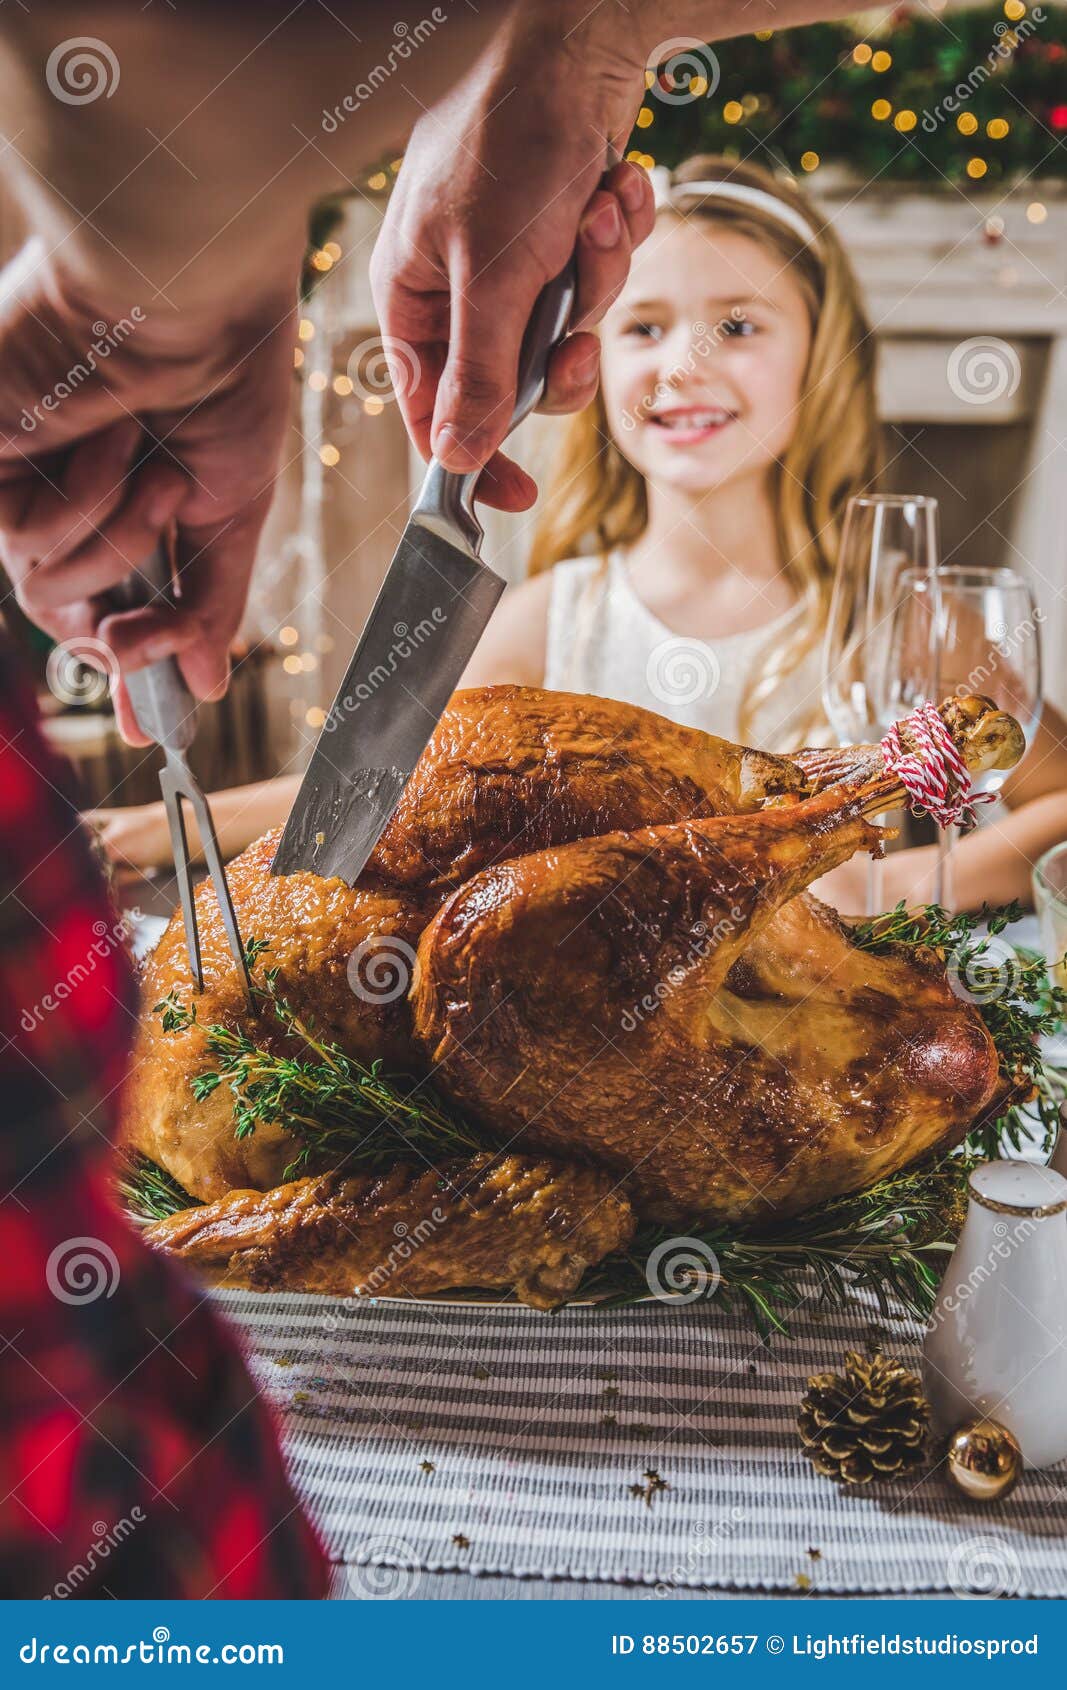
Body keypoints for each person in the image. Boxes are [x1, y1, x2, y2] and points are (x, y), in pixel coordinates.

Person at [462, 154, 1067, 912]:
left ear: (819, 357)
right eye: (644, 326)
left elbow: (1056, 800)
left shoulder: (899, 620)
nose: (684, 365)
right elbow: (397, 790)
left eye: (737, 326)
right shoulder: (545, 625)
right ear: (590, 363)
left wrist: (901, 883)